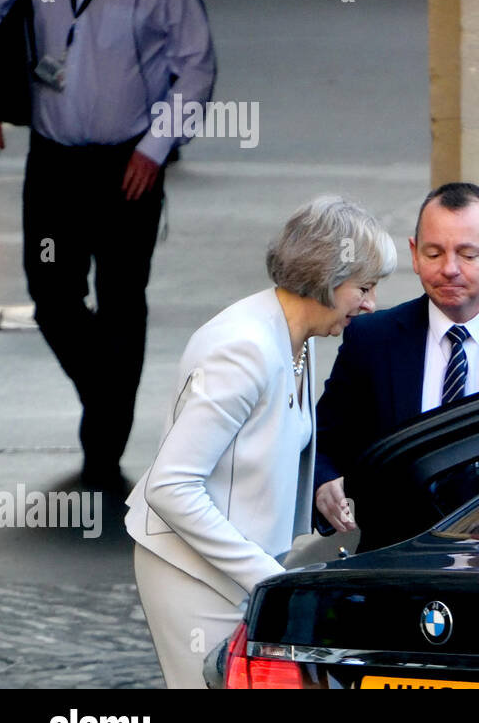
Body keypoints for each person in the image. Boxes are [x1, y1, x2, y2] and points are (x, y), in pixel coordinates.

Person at [0, 0, 216, 489]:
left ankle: (104, 443)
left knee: (122, 302)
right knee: (51, 297)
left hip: (129, 169)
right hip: (55, 163)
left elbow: (196, 65)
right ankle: (109, 394)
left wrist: (155, 149)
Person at [125, 196, 397, 689]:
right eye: (365, 287)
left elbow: (267, 442)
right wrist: (269, 580)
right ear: (326, 278)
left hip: (247, 574)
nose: (371, 304)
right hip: (194, 575)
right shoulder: (244, 348)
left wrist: (316, 491)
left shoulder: (299, 337)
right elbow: (170, 487)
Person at [312, 182, 479, 534]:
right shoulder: (371, 340)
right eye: (433, 253)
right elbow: (322, 443)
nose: (450, 269)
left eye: (468, 255)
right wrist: (324, 485)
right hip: (394, 566)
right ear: (413, 253)